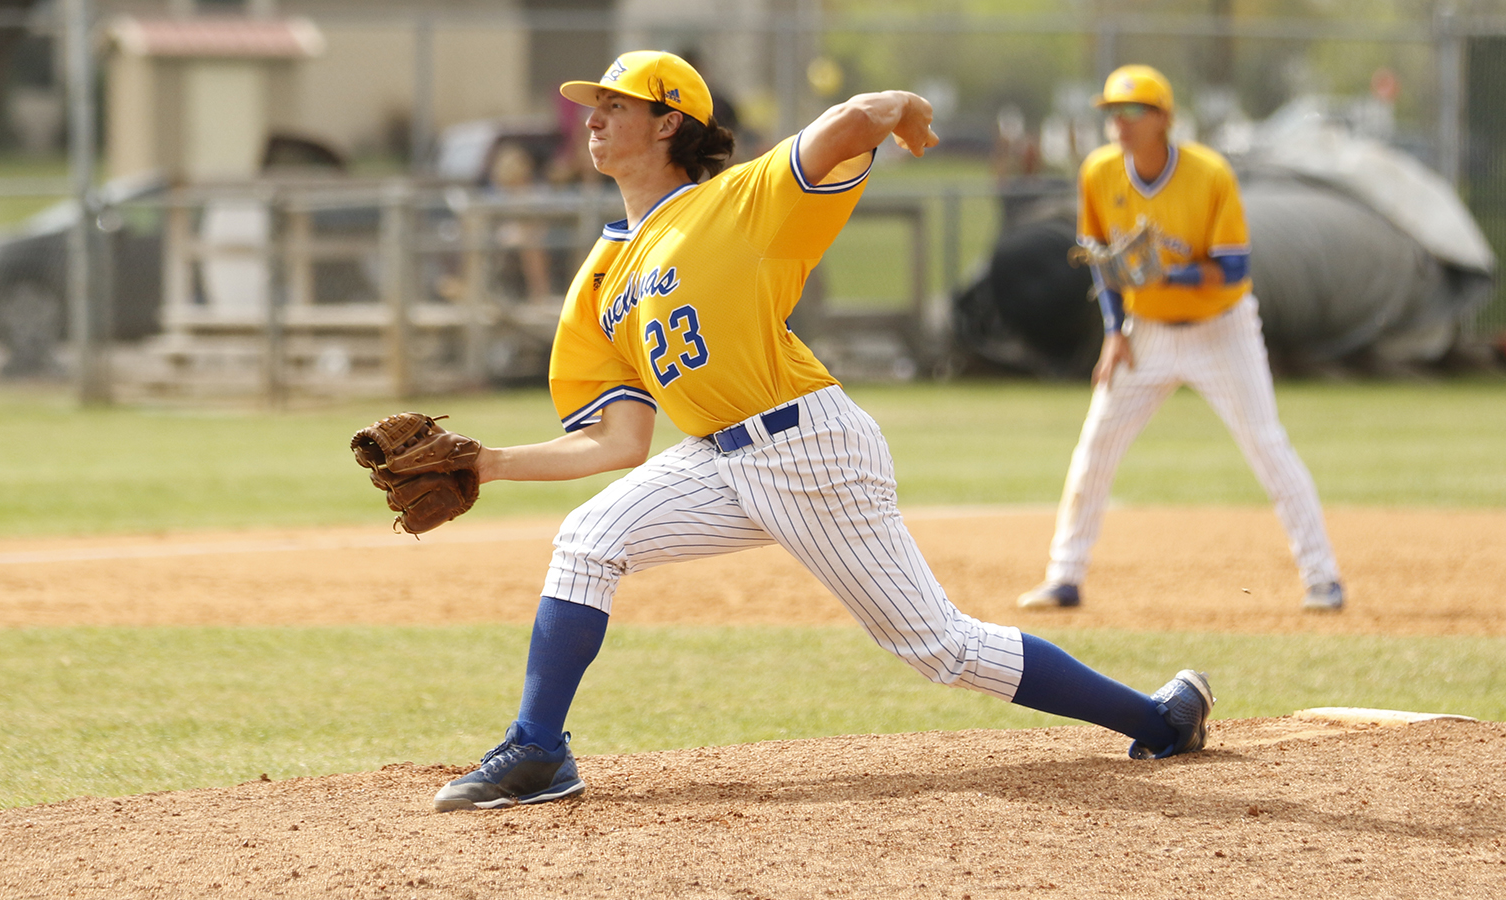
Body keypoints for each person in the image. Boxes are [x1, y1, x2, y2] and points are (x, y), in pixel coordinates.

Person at [431, 51, 1215, 813]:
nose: (592, 120)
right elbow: (619, 443)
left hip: (807, 448)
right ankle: (539, 746)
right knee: (588, 539)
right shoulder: (602, 277)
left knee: (942, 649)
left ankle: (1160, 720)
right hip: (717, 457)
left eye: (616, 106)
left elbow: (846, 123)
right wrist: (488, 463)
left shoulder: (735, 200)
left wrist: (898, 108)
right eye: (593, 107)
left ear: (670, 124)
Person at [1016, 65, 1345, 614]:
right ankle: (1064, 577)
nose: (1119, 123)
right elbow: (1102, 259)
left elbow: (1235, 268)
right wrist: (1115, 330)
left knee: (1267, 445)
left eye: (1132, 111)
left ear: (1163, 117)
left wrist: (1170, 276)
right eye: (1111, 113)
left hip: (1222, 331)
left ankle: (1323, 577)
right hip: (1145, 335)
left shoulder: (1208, 174)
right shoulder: (1099, 172)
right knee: (1096, 447)